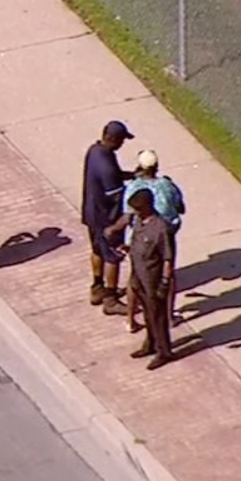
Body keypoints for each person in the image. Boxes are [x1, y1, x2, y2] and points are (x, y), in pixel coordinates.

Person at [106, 149, 187, 331]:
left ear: (140, 167)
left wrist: (112, 230)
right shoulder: (167, 185)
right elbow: (181, 208)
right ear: (156, 166)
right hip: (165, 236)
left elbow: (127, 216)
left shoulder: (134, 188)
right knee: (168, 275)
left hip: (140, 238)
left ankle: (130, 319)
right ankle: (169, 317)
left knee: (135, 278)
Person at [82, 120, 134, 315]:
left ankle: (97, 288)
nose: (122, 144)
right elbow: (117, 194)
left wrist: (130, 175)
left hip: (91, 213)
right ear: (113, 139)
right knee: (113, 256)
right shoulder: (107, 166)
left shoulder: (95, 150)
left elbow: (114, 176)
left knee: (97, 249)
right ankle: (110, 299)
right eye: (121, 140)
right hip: (106, 218)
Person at [124, 188, 176, 370]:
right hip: (138, 276)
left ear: (147, 206)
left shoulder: (161, 228)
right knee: (147, 314)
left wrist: (164, 283)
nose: (135, 212)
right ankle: (150, 343)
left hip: (153, 281)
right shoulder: (140, 221)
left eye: (138, 208)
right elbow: (135, 244)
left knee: (158, 316)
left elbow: (168, 259)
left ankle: (164, 351)